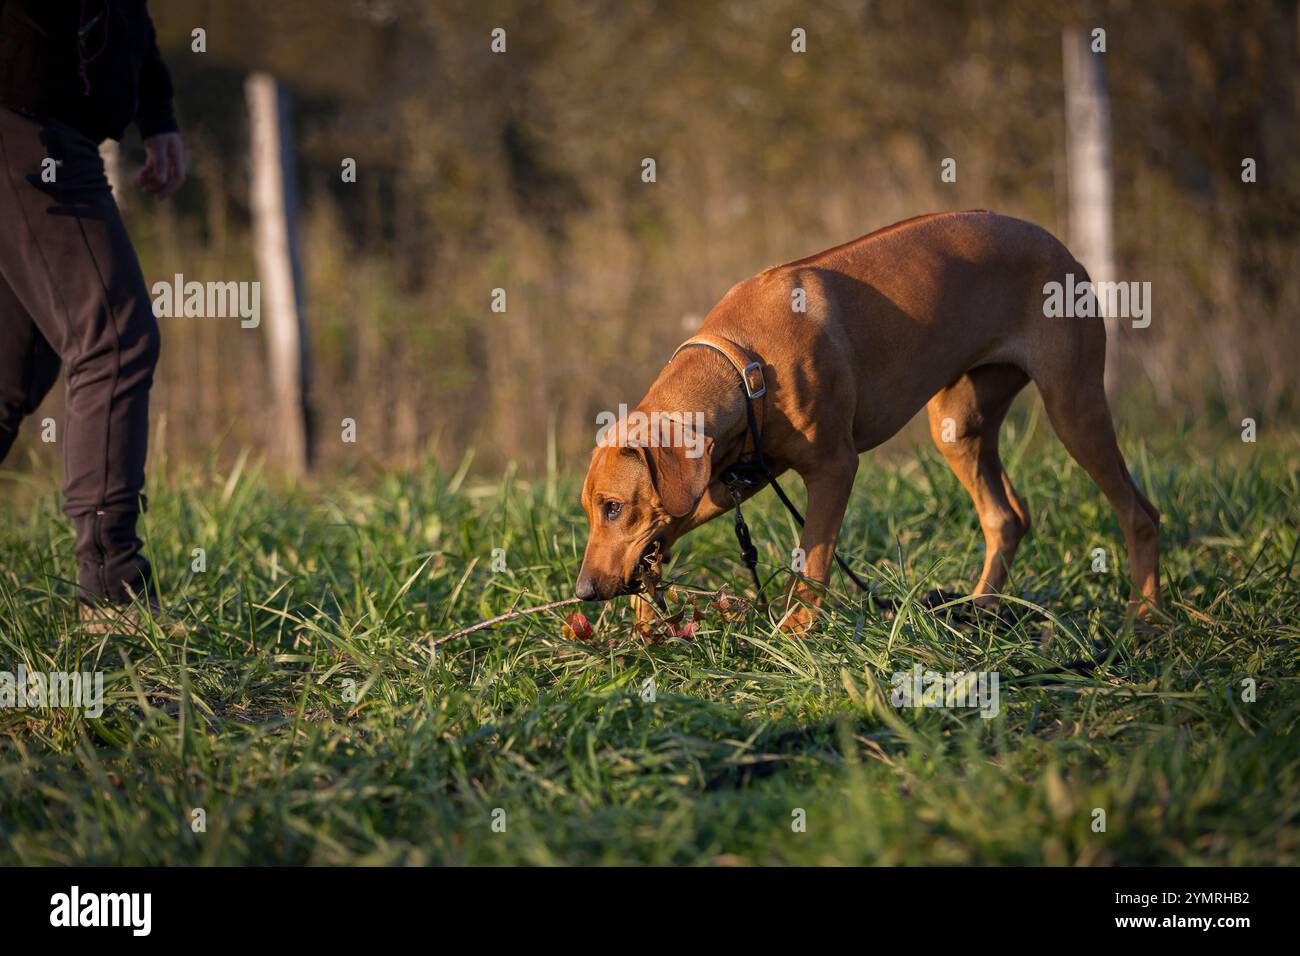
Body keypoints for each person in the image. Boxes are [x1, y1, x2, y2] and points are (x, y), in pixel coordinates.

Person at [0, 1, 185, 623]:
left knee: (12, 372)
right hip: (23, 122)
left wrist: (157, 115)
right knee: (114, 341)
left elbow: (128, 14)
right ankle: (112, 590)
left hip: (53, 129)